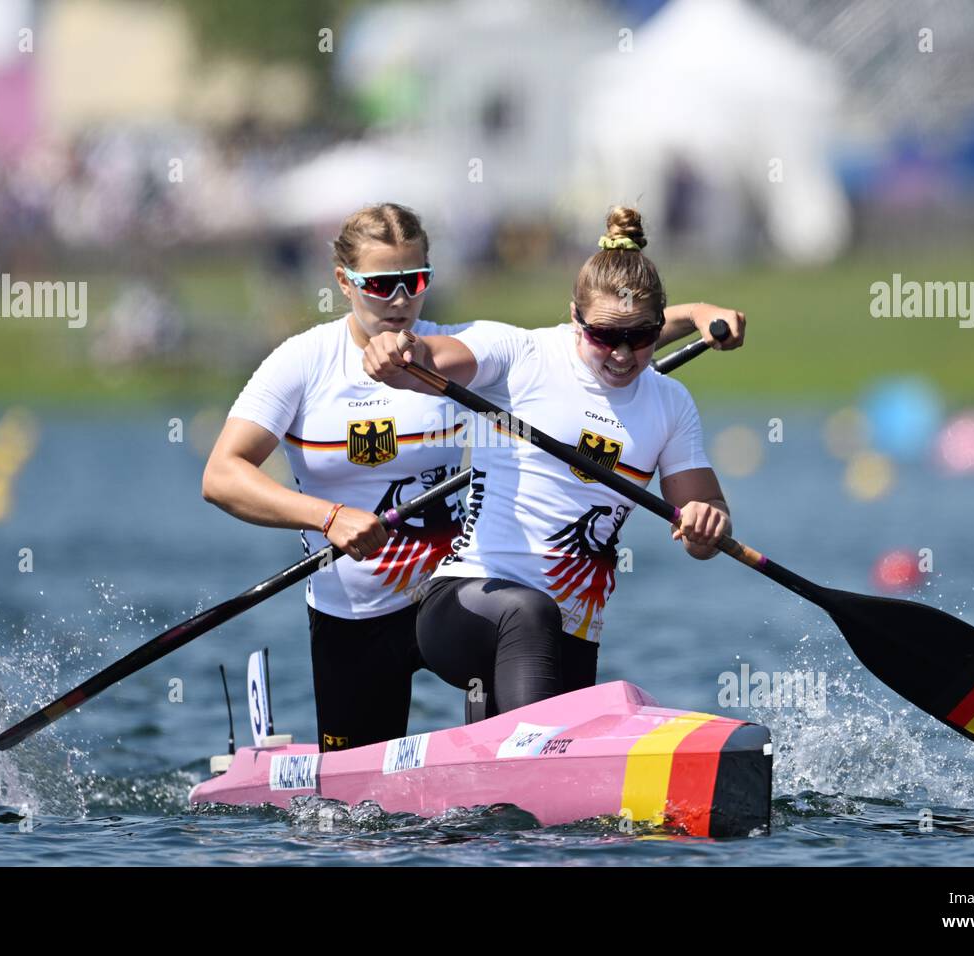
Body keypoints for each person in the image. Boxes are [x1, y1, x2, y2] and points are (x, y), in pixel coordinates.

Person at [205, 203, 743, 748]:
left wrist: (695, 312)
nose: (399, 300)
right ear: (343, 282)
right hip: (361, 604)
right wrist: (330, 516)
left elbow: (590, 339)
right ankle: (520, 770)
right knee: (361, 818)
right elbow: (222, 476)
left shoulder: (482, 347)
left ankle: (510, 785)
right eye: (382, 285)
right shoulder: (303, 362)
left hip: (473, 591)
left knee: (527, 630)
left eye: (414, 282)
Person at [362, 205, 735, 722]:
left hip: (571, 633)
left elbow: (704, 518)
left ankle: (498, 778)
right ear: (575, 317)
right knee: (529, 611)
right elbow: (427, 357)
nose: (623, 355)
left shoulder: (670, 404)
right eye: (605, 336)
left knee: (546, 669)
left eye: (641, 337)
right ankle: (530, 756)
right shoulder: (522, 354)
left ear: (659, 326)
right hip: (466, 604)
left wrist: (705, 523)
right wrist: (397, 349)